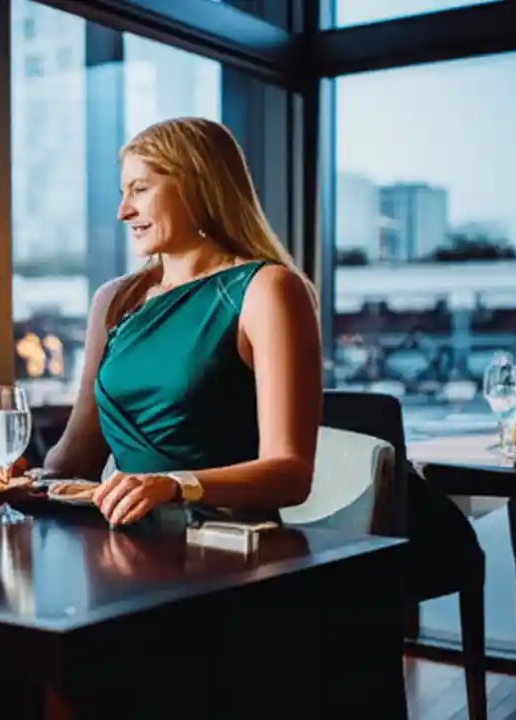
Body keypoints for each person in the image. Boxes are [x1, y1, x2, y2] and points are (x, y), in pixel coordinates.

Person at [38, 116, 322, 527]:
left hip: (229, 550)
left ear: (198, 186)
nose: (123, 211)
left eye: (140, 189)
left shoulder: (268, 289)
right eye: (122, 193)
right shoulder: (115, 300)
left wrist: (173, 485)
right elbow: (75, 459)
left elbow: (291, 474)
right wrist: (22, 479)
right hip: (124, 549)